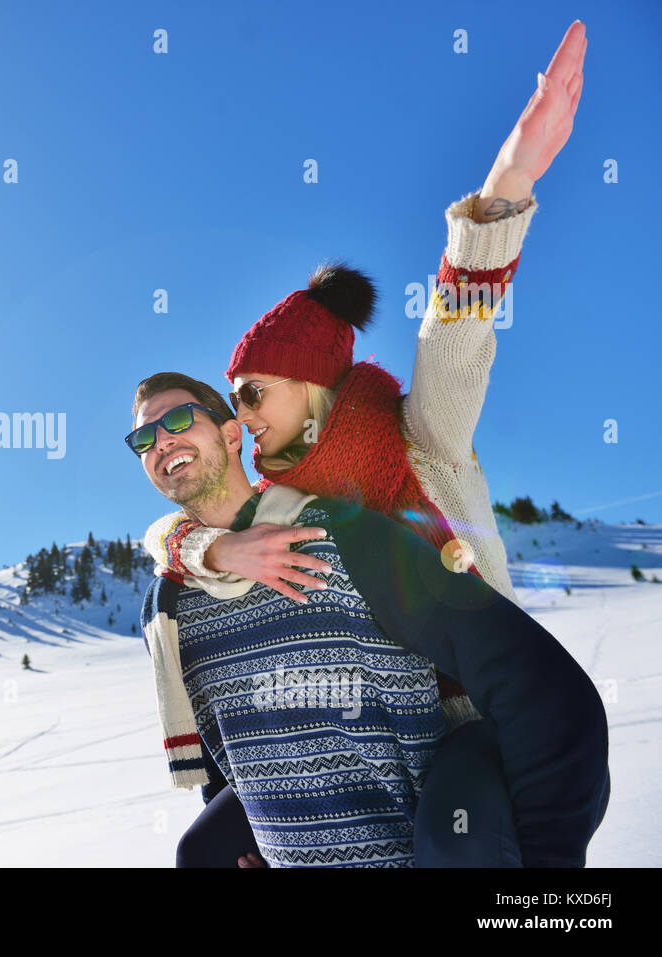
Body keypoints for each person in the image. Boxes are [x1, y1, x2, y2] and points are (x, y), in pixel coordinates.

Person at [140, 20, 589, 865]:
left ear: (308, 383)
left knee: (447, 838)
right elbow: (169, 533)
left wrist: (507, 184)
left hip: (463, 718)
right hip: (360, 732)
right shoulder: (268, 505)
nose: (243, 414)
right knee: (205, 852)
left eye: (252, 393)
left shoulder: (415, 437)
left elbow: (455, 331)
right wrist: (214, 546)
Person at [130, 374, 610, 867]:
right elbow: (220, 763)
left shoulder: (343, 537)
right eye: (143, 439)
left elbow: (541, 686)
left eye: (179, 419)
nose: (161, 440)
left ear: (232, 434)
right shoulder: (168, 606)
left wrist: (547, 863)